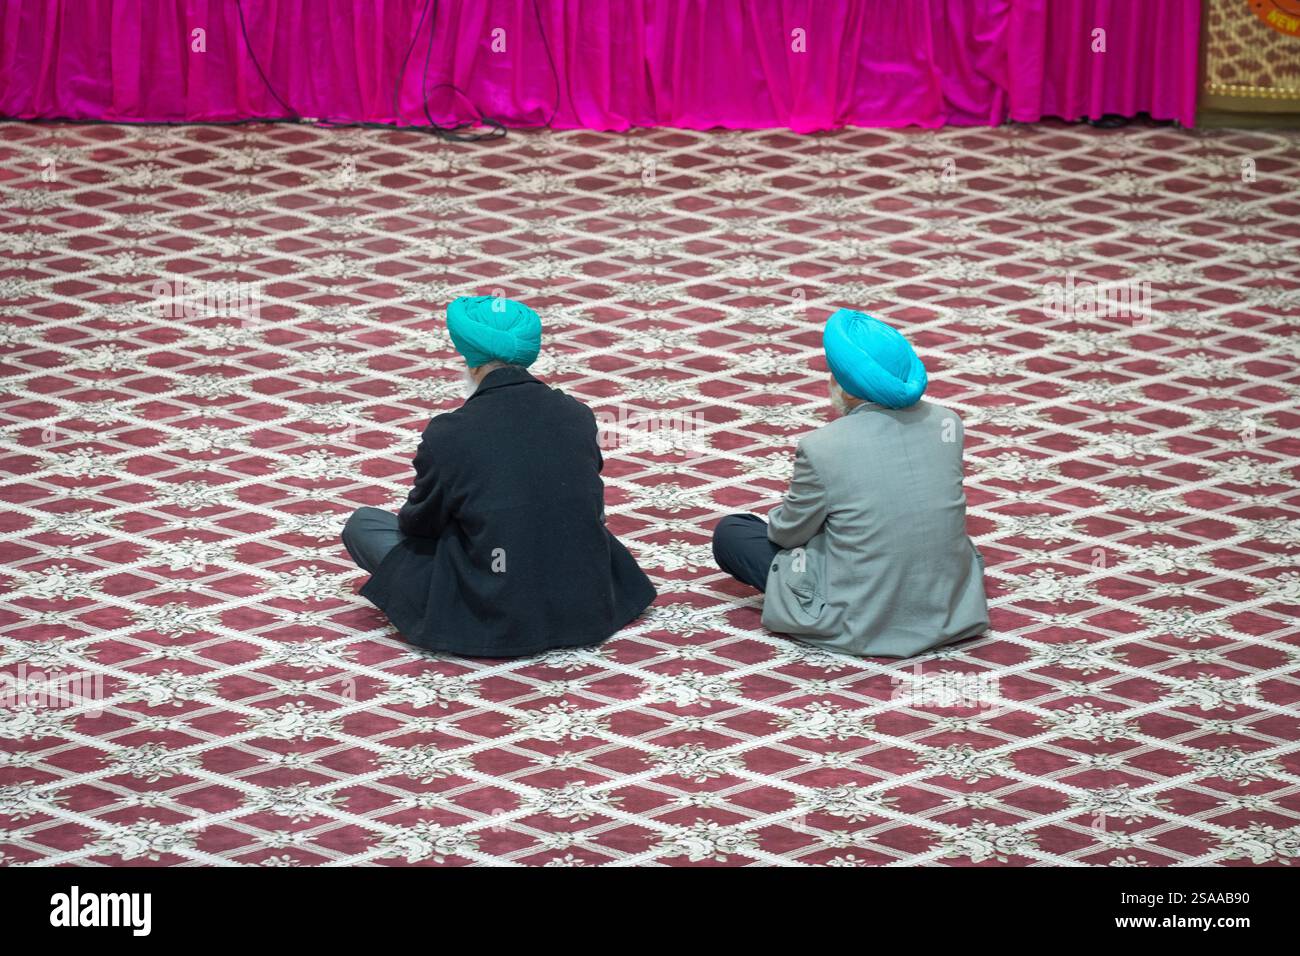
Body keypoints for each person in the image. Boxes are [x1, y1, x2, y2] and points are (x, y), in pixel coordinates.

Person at [342, 296, 656, 658]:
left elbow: (420, 525)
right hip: (585, 603)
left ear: (468, 359)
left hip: (494, 609)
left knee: (364, 525)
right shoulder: (575, 414)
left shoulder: (450, 432)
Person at [712, 309, 989, 658]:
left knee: (734, 532)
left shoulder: (822, 446)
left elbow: (787, 534)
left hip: (860, 616)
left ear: (843, 384)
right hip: (950, 608)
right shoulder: (948, 423)